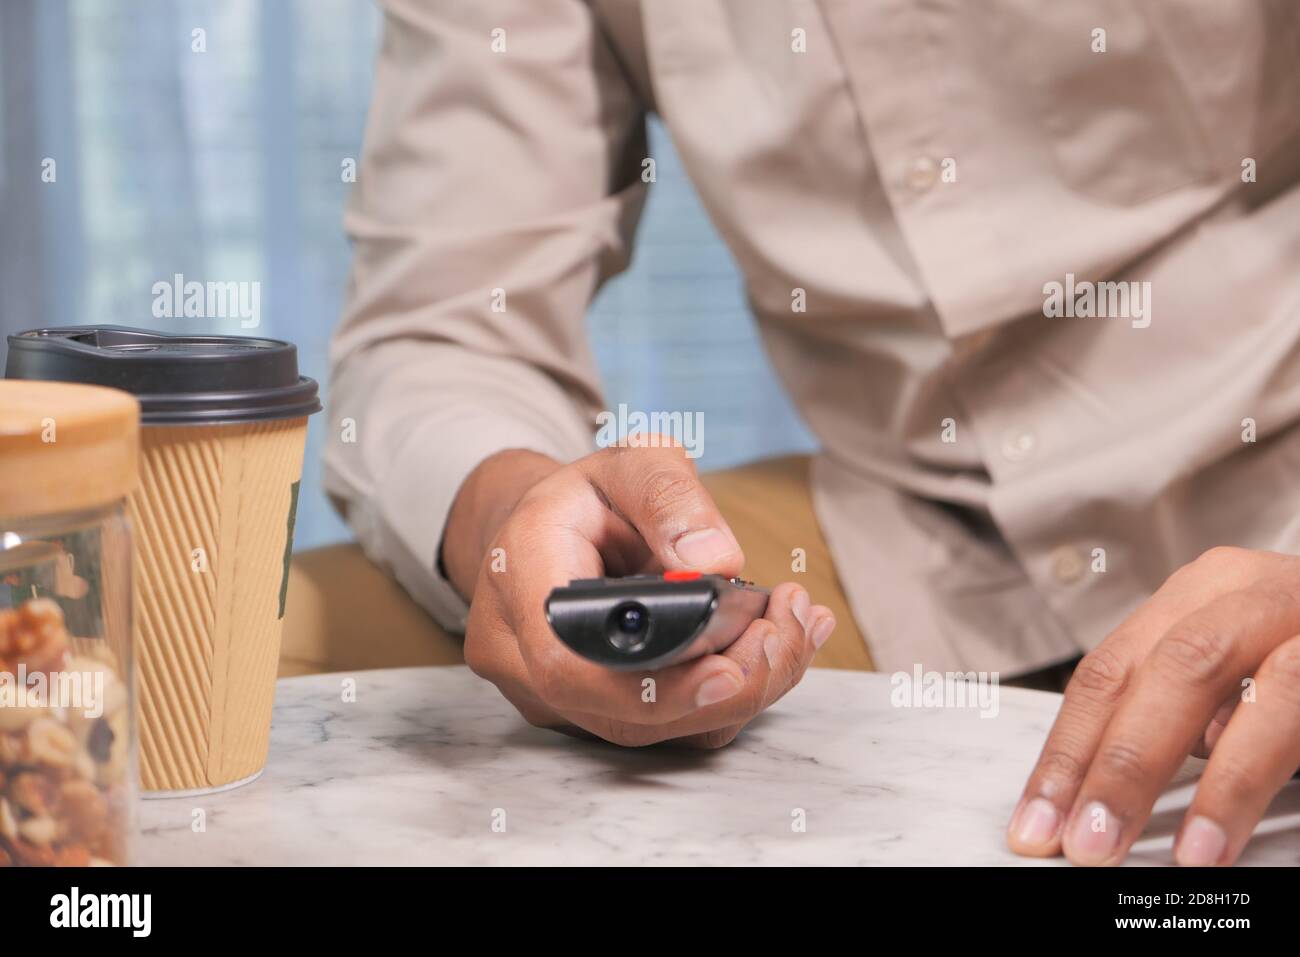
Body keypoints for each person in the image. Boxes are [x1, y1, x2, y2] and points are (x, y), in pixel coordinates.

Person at [322, 1, 1300, 867]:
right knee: (265, 642)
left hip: (1272, 502)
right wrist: (505, 514)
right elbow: (442, 320)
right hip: (908, 540)